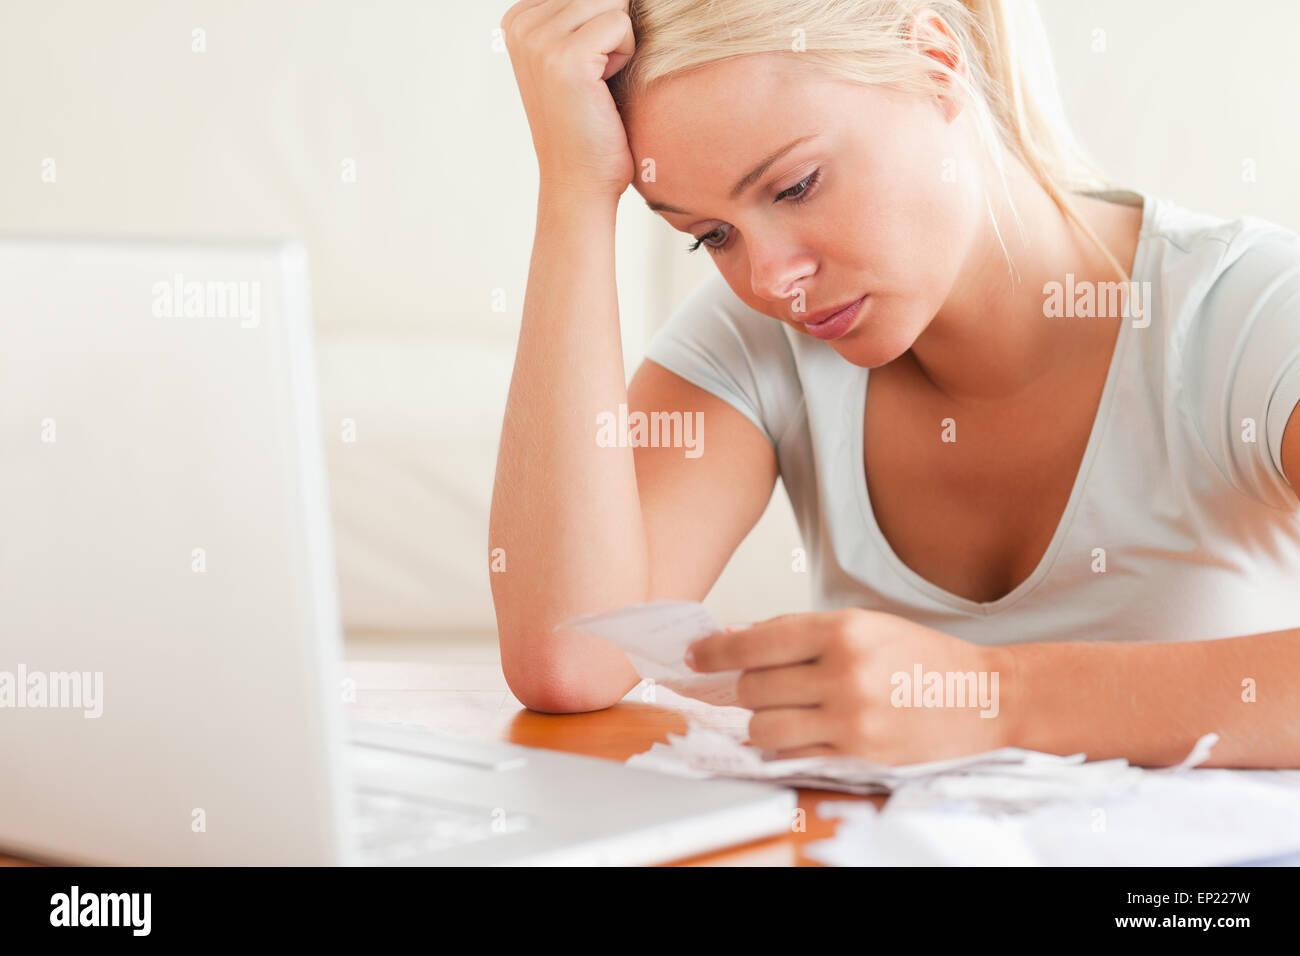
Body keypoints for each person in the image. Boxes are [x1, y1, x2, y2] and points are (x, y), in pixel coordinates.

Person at [490, 0, 1300, 767]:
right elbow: (571, 657)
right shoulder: (760, 340)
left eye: (796, 185)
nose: (772, 279)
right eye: (712, 236)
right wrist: (572, 189)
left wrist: (992, 700)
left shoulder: (1248, 312)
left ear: (937, 64)